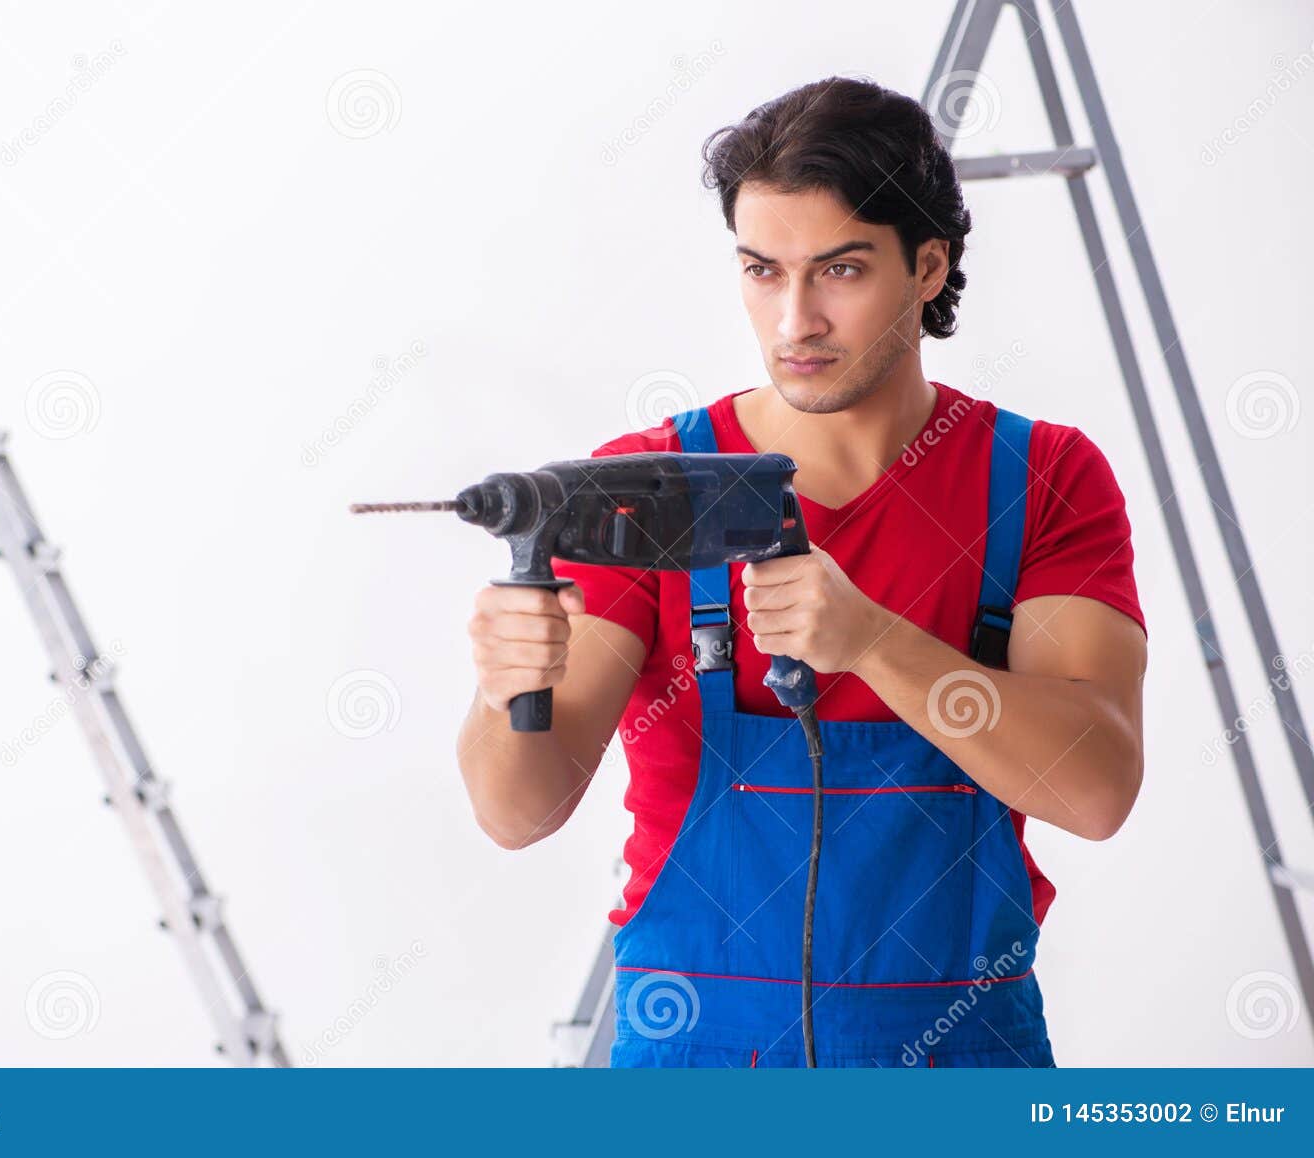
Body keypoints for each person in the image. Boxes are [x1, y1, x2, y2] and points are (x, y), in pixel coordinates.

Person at [455, 76, 1146, 1067]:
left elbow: (1094, 790)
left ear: (926, 267)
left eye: (839, 271)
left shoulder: (1039, 479)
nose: (793, 322)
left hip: (962, 1065)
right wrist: (503, 690)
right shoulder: (647, 489)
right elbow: (517, 811)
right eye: (761, 271)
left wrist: (869, 640)